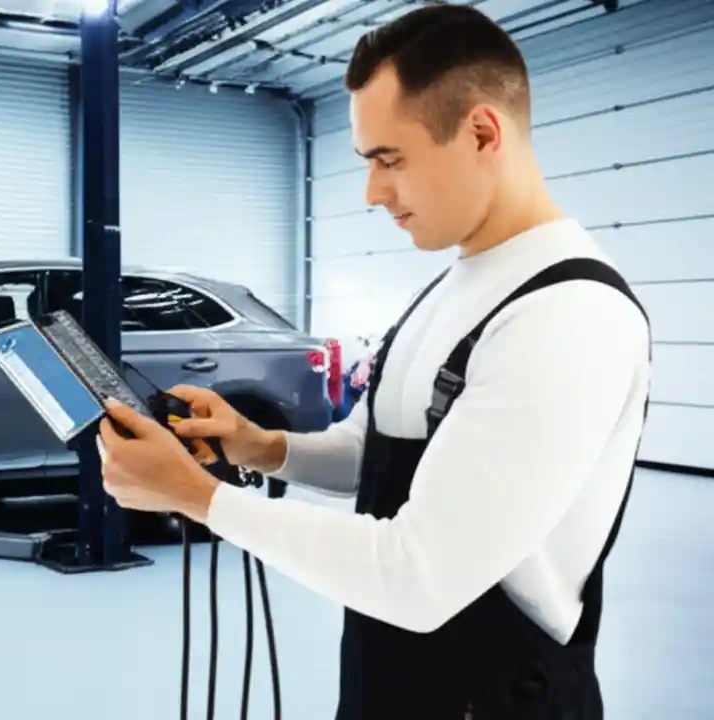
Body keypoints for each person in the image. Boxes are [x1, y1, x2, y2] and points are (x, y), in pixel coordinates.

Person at [96, 4, 651, 719]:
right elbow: (376, 451)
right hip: (394, 680)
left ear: (482, 132)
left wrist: (198, 497)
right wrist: (260, 447)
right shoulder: (454, 284)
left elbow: (420, 575)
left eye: (390, 160)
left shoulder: (567, 314)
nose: (372, 192)